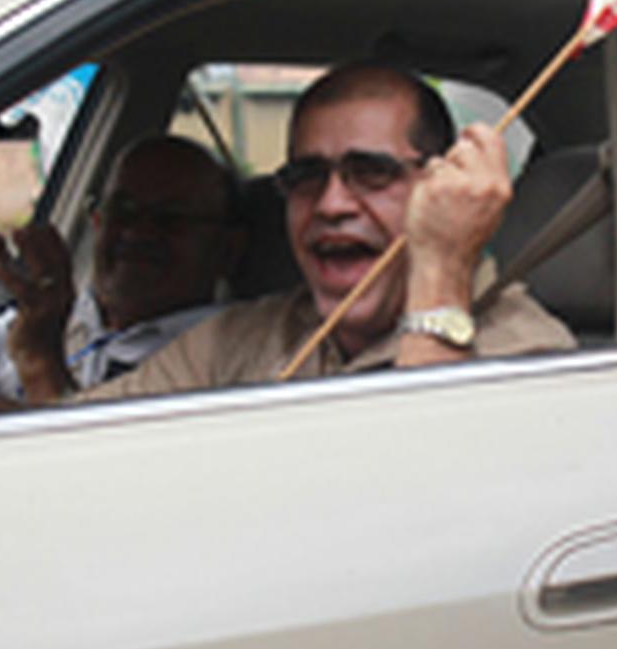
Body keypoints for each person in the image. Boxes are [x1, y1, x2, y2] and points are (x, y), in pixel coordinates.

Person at [87, 61, 573, 400]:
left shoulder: (527, 353)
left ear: (439, 187)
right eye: (307, 176)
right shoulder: (242, 338)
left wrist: (440, 275)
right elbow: (70, 437)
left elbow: (424, 513)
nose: (331, 204)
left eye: (371, 172)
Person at [0, 133, 240, 406]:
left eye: (170, 218)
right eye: (123, 210)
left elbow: (87, 447)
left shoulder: (225, 352)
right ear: (97, 221)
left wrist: (40, 359)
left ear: (226, 248)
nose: (136, 232)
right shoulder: (60, 310)